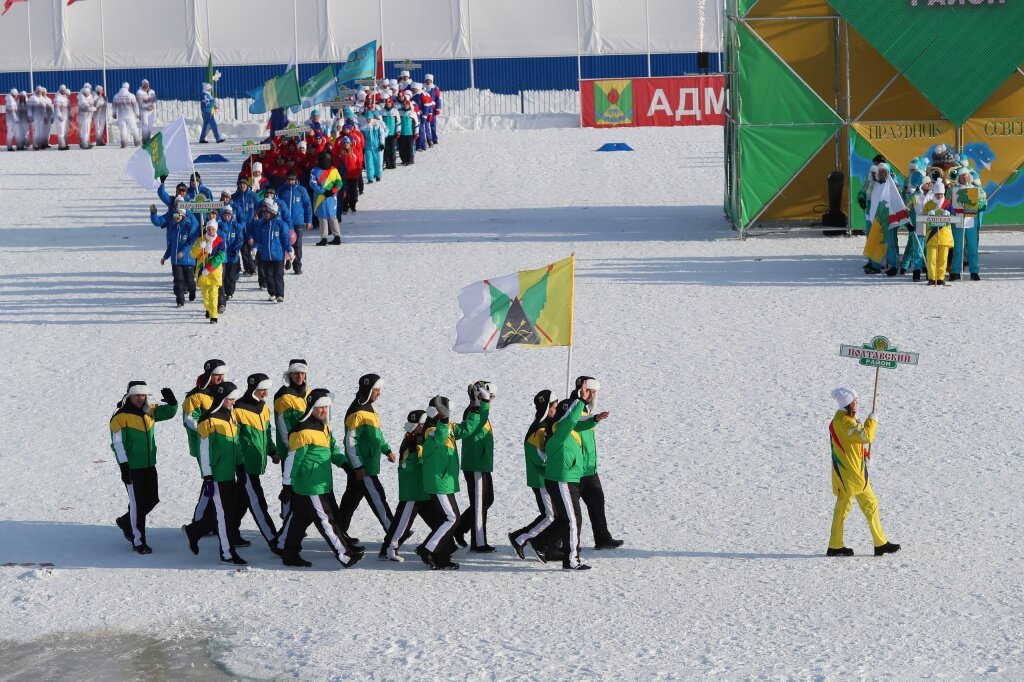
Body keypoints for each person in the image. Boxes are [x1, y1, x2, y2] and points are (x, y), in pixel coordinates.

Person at [275, 389, 364, 568]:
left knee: (299, 519)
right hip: (311, 486)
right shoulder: (302, 431)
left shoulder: (323, 427)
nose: (323, 410)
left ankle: (288, 551)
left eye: (325, 407)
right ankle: (345, 554)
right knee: (327, 521)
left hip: (320, 484)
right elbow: (293, 460)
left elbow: (333, 451)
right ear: (311, 407)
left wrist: (346, 466)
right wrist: (286, 485)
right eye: (319, 407)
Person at [826, 387, 900, 557]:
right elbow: (865, 437)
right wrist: (872, 421)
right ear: (847, 403)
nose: (858, 402)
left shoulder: (846, 419)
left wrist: (864, 455)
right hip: (849, 474)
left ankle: (880, 543)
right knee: (843, 509)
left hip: (856, 473)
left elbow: (852, 444)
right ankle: (835, 545)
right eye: (855, 400)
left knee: (871, 504)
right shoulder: (844, 422)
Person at [418, 392, 488, 570]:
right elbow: (439, 439)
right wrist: (443, 420)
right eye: (445, 412)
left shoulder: (445, 427)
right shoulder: (430, 430)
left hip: (445, 481)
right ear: (437, 413)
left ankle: (440, 558)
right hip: (438, 481)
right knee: (451, 519)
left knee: (448, 519)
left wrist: (475, 407)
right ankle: (428, 549)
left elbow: (468, 428)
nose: (448, 415)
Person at [182, 382, 248, 565]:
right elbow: (204, 451)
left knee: (230, 510)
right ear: (221, 398)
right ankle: (227, 553)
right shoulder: (207, 420)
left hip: (229, 474)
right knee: (225, 513)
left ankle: (193, 532)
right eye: (230, 399)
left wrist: (240, 466)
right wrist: (208, 476)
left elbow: (235, 445)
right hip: (217, 475)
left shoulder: (231, 417)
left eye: (234, 399)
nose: (233, 402)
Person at [110, 381, 178, 554]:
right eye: (136, 395)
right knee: (138, 504)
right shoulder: (120, 417)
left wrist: (172, 403)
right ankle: (138, 541)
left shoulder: (149, 410)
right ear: (129, 396)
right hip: (132, 468)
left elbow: (168, 413)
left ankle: (126, 521)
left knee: (152, 499)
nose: (140, 399)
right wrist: (124, 467)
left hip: (149, 465)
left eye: (143, 395)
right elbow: (117, 445)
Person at [337, 374, 396, 542]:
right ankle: (394, 531)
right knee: (378, 497)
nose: (379, 393)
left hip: (365, 465)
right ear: (368, 389)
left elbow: (377, 434)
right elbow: (350, 442)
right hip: (364, 468)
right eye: (376, 389)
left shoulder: (369, 408)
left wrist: (387, 450)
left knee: (351, 499)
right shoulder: (357, 411)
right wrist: (358, 466)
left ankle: (339, 532)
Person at [544, 386, 596, 571]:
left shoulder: (565, 429)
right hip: (562, 480)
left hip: (568, 479)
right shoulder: (559, 430)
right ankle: (571, 560)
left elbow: (579, 423)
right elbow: (572, 421)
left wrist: (595, 418)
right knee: (572, 520)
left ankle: (562, 553)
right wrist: (581, 400)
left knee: (572, 519)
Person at [571, 376, 621, 550]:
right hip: (575, 471)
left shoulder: (585, 410)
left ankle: (603, 539)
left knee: (597, 504)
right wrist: (595, 419)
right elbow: (574, 425)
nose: (593, 395)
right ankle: (568, 544)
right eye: (590, 391)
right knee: (572, 513)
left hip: (590, 469)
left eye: (594, 392)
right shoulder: (572, 408)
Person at [509, 390, 559, 561]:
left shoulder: (543, 425)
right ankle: (520, 538)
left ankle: (530, 540)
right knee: (549, 515)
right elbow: (539, 457)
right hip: (541, 479)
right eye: (554, 406)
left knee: (550, 514)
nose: (557, 408)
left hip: (543, 477)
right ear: (546, 407)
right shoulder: (539, 428)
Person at [233, 373, 279, 553]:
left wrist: (272, 451)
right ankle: (273, 540)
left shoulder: (264, 408)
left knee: (240, 502)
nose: (265, 393)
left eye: (266, 389)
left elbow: (267, 433)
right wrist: (240, 463)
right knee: (258, 503)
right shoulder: (238, 409)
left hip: (255, 464)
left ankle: (197, 531)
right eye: (262, 389)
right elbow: (234, 439)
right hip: (245, 466)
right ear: (253, 388)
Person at [380, 410, 431, 562]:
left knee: (405, 520)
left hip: (420, 489)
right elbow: (408, 466)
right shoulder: (413, 442)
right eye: (422, 424)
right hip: (413, 489)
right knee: (402, 521)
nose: (425, 426)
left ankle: (446, 545)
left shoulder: (415, 438)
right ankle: (389, 549)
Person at [182, 360, 228, 524]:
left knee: (217, 481)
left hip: (221, 445)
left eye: (222, 374)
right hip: (203, 445)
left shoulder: (223, 392)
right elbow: (189, 420)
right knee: (211, 480)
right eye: (216, 375)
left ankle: (211, 520)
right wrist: (209, 431)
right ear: (209, 375)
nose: (220, 378)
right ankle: (199, 519)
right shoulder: (195, 395)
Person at [454, 381, 498, 552]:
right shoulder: (474, 411)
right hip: (475, 464)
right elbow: (478, 424)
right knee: (480, 503)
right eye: (488, 397)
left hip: (482, 464)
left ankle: (459, 528)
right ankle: (478, 543)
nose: (490, 400)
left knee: (487, 499)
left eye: (491, 398)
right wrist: (484, 403)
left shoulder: (480, 410)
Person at [274, 359, 310, 519]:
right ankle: (287, 517)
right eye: (296, 373)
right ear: (290, 374)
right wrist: (292, 447)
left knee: (300, 485)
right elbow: (282, 426)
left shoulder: (308, 393)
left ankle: (297, 518)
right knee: (289, 484)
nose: (299, 376)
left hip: (305, 448)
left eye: (302, 373)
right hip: (291, 449)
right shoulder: (283, 396)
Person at [152, 203, 199, 307]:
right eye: (175, 215)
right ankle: (180, 300)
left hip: (188, 260)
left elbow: (191, 242)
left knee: (190, 280)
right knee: (178, 281)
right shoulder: (173, 227)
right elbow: (171, 245)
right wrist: (165, 257)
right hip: (176, 261)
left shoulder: (188, 226)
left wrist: (183, 252)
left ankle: (192, 291)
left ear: (183, 215)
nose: (176, 217)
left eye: (178, 215)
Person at [248, 199, 292, 302]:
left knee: (278, 275)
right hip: (265, 256)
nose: (265, 214)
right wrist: (255, 248)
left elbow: (285, 239)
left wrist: (289, 250)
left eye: (267, 212)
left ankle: (280, 294)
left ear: (272, 213)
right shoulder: (262, 225)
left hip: (278, 256)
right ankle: (272, 293)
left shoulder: (281, 225)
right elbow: (258, 240)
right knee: (268, 276)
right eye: (264, 212)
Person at [949, 166, 985, 281]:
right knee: (958, 248)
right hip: (957, 221)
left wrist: (976, 206)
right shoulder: (952, 189)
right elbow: (946, 203)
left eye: (967, 176)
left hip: (970, 221)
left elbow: (983, 202)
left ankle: (974, 271)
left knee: (972, 248)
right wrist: (952, 208)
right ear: (959, 177)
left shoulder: (976, 189)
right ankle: (955, 271)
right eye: (963, 176)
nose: (966, 178)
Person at [191, 218, 226, 324]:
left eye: (213, 229)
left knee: (213, 294)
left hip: (214, 272)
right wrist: (199, 247)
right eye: (209, 229)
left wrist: (209, 268)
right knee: (205, 295)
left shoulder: (220, 241)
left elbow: (220, 257)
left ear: (216, 230)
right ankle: (208, 309)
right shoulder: (201, 240)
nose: (211, 231)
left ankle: (214, 316)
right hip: (202, 271)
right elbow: (193, 254)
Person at [278, 171, 312, 274]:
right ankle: (287, 259)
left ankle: (297, 265)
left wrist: (308, 220)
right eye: (289, 180)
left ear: (296, 179)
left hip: (298, 221)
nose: (291, 182)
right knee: (284, 242)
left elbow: (307, 205)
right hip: (285, 221)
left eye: (293, 179)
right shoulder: (282, 190)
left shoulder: (301, 190)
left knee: (297, 244)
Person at [308, 151, 342, 246]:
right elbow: (312, 183)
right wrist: (324, 191)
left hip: (330, 197)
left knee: (332, 216)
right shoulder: (314, 170)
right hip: (320, 197)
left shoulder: (334, 170)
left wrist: (332, 191)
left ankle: (336, 237)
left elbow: (339, 183)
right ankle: (324, 238)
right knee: (322, 217)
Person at [231, 178, 260, 276]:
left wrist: (259, 219)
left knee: (251, 248)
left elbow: (260, 208)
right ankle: (248, 268)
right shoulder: (235, 197)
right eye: (240, 184)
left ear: (247, 185)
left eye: (244, 184)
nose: (242, 186)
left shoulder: (253, 196)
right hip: (240, 228)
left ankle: (253, 267)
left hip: (251, 226)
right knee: (243, 249)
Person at [217, 200, 244, 305]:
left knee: (231, 276)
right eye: (225, 215)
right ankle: (222, 292)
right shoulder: (218, 226)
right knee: (222, 276)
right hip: (222, 256)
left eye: (229, 215)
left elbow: (240, 239)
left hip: (232, 256)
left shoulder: (236, 226)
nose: (227, 217)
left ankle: (230, 292)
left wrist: (235, 249)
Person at [112, 82, 141, 148]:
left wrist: (114, 113)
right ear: (128, 87)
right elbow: (135, 106)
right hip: (130, 115)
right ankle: (137, 142)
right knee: (134, 128)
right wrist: (137, 114)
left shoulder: (116, 96)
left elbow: (113, 105)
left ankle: (123, 143)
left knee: (123, 129)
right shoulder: (131, 96)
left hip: (121, 116)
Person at [337, 137, 361, 214]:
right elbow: (338, 164)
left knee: (353, 192)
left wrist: (358, 172)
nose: (346, 144)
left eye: (347, 143)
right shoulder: (340, 153)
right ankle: (345, 208)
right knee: (345, 192)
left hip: (353, 176)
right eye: (344, 143)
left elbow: (359, 163)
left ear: (350, 144)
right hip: (344, 177)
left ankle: (353, 206)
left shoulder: (355, 152)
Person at [136, 79, 157, 144]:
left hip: (151, 111)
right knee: (145, 125)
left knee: (150, 125)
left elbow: (154, 100)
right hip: (144, 111)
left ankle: (149, 138)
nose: (147, 85)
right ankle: (144, 140)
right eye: (145, 84)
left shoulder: (152, 92)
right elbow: (140, 103)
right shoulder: (139, 92)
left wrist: (152, 106)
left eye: (147, 84)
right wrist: (147, 107)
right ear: (142, 85)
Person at [423, 74, 442, 146]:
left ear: (432, 80)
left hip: (433, 109)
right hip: (425, 109)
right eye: (427, 80)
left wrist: (438, 108)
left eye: (429, 80)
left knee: (433, 125)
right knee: (426, 125)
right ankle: (428, 139)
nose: (428, 81)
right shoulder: (422, 87)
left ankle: (434, 138)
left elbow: (438, 99)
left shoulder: (435, 88)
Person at [398, 99, 417, 166]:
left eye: (407, 104)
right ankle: (404, 160)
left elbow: (416, 123)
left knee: (409, 147)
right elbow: (397, 122)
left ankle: (410, 160)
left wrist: (416, 133)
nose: (405, 105)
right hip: (401, 133)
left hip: (410, 133)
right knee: (402, 147)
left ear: (409, 105)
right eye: (404, 104)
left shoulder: (412, 113)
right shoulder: (399, 112)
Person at [77, 83, 97, 149]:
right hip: (85, 116)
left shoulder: (86, 96)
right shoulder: (82, 98)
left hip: (87, 116)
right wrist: (93, 108)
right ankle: (85, 144)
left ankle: (84, 142)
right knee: (86, 130)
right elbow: (86, 107)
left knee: (84, 130)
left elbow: (91, 102)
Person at [54, 85, 71, 150]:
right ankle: (61, 145)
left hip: (65, 117)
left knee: (65, 131)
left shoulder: (66, 98)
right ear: (60, 90)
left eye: (64, 90)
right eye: (62, 90)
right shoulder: (57, 98)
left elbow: (68, 108)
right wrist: (59, 115)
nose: (63, 91)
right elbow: (57, 109)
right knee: (61, 132)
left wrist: (69, 115)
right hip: (60, 118)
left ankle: (65, 144)